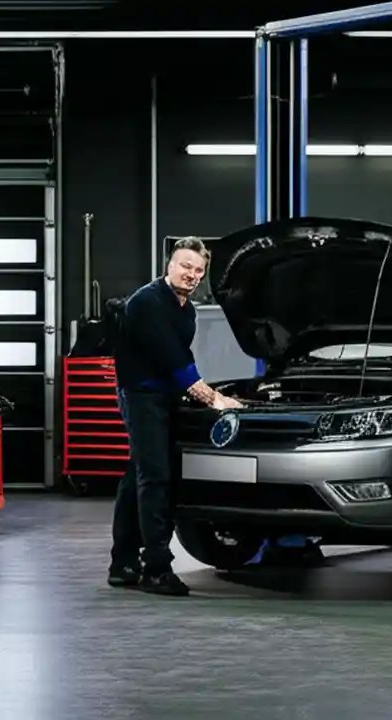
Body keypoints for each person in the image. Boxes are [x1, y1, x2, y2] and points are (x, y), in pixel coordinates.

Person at [107, 237, 242, 596]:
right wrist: (214, 399)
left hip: (165, 397)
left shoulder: (186, 309)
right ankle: (156, 568)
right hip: (141, 396)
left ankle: (122, 563)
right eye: (186, 266)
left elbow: (183, 359)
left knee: (138, 475)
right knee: (156, 478)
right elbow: (175, 361)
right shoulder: (147, 302)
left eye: (199, 270)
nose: (192, 275)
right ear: (169, 264)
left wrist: (201, 391)